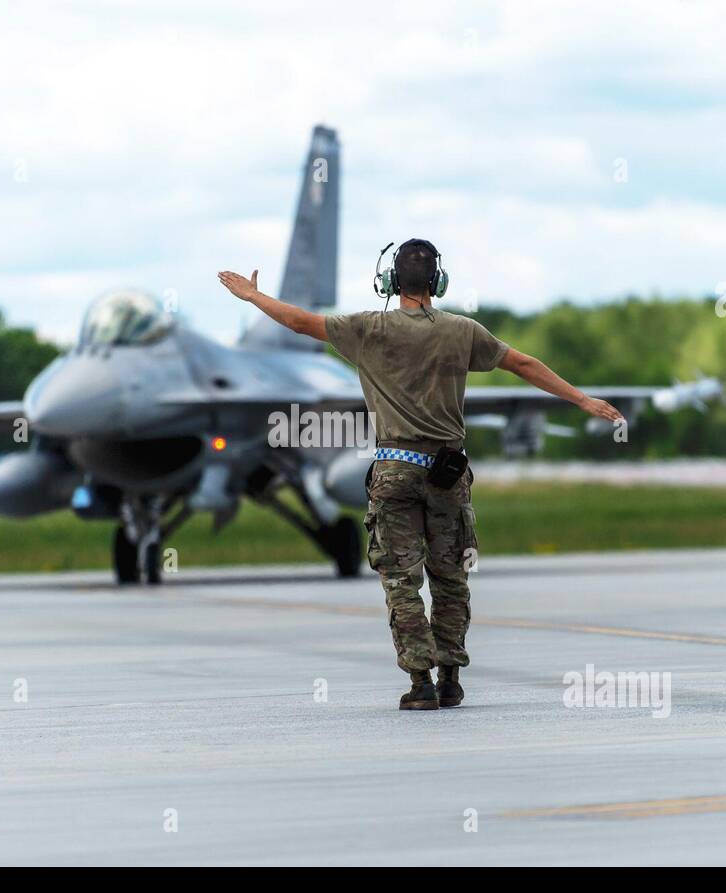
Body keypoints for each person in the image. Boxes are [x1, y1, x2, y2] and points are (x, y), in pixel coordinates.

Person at [218, 239, 621, 711]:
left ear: (389, 282)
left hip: (395, 471)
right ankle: (450, 677)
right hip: (448, 474)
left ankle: (420, 682)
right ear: (437, 282)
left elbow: (299, 322)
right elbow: (523, 364)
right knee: (451, 578)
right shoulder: (463, 331)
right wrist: (583, 400)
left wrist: (252, 297)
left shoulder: (366, 329)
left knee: (400, 581)